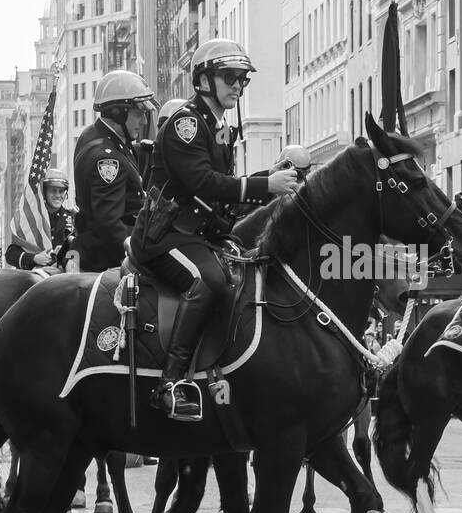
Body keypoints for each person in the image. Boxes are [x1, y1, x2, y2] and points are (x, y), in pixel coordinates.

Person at [125, 38, 297, 421]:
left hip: (199, 235)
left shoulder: (217, 125)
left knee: (247, 272)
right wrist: (264, 186)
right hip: (165, 236)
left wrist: (269, 180)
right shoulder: (187, 122)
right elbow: (203, 182)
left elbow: (224, 189)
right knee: (208, 283)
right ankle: (170, 384)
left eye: (242, 80)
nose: (238, 85)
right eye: (230, 77)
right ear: (204, 80)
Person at [72, 70, 155, 273]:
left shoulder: (97, 135)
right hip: (108, 257)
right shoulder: (107, 158)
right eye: (138, 114)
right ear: (118, 113)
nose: (144, 121)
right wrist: (136, 245)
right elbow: (109, 223)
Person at [5, 167, 76, 271]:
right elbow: (11, 254)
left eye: (61, 191)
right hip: (35, 280)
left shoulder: (73, 218)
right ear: (44, 192)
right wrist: (34, 258)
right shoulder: (31, 219)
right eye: (53, 190)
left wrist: (62, 253)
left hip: (64, 279)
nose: (57, 195)